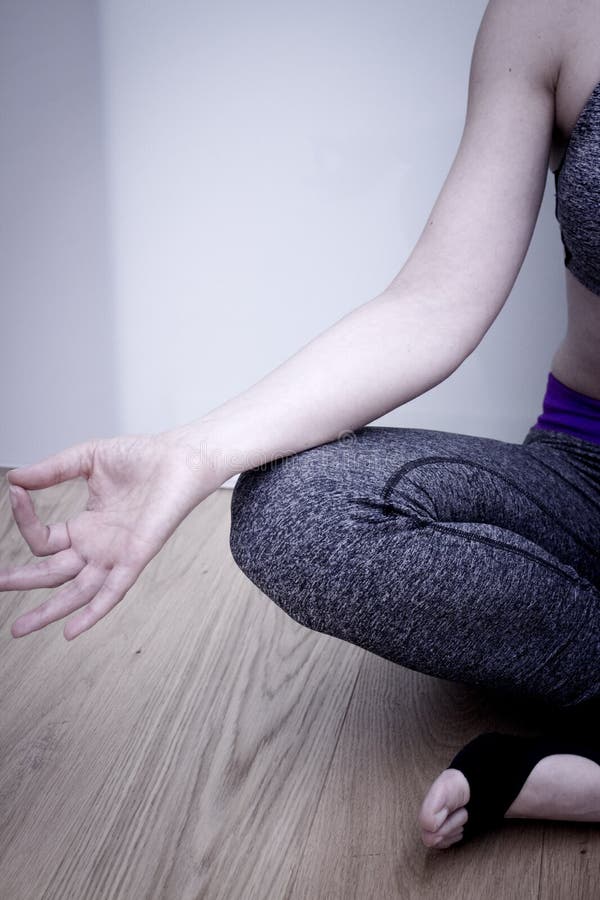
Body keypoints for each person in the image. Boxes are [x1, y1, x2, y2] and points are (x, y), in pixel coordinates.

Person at [1, 0, 599, 851]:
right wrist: (192, 452)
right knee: (292, 506)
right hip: (584, 474)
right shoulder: (550, 16)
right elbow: (435, 302)